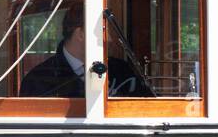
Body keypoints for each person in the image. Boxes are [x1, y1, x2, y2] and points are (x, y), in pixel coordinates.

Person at [19, 7, 152, 99]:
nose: (110, 39)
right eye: (104, 32)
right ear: (81, 34)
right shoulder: (37, 79)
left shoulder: (122, 70)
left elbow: (146, 108)